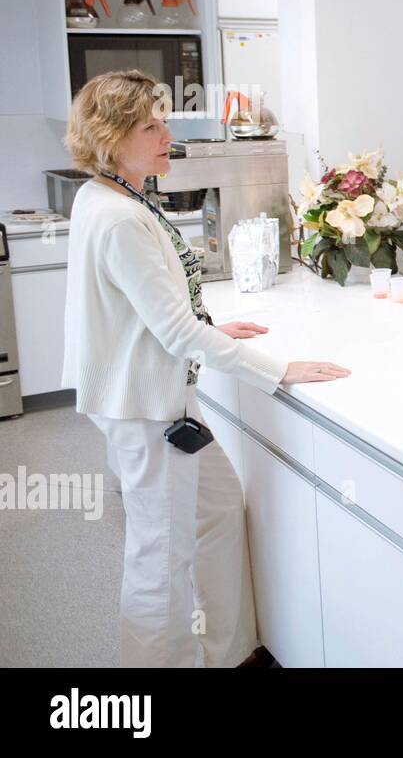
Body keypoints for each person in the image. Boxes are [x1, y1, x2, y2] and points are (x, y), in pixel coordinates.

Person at [62, 70, 350, 667]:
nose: (168, 133)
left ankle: (225, 652)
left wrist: (211, 330)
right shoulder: (119, 217)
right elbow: (174, 331)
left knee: (217, 509)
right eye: (151, 126)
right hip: (143, 408)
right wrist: (280, 368)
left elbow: (144, 309)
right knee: (157, 557)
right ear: (112, 138)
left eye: (163, 119)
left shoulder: (112, 194)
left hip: (146, 395)